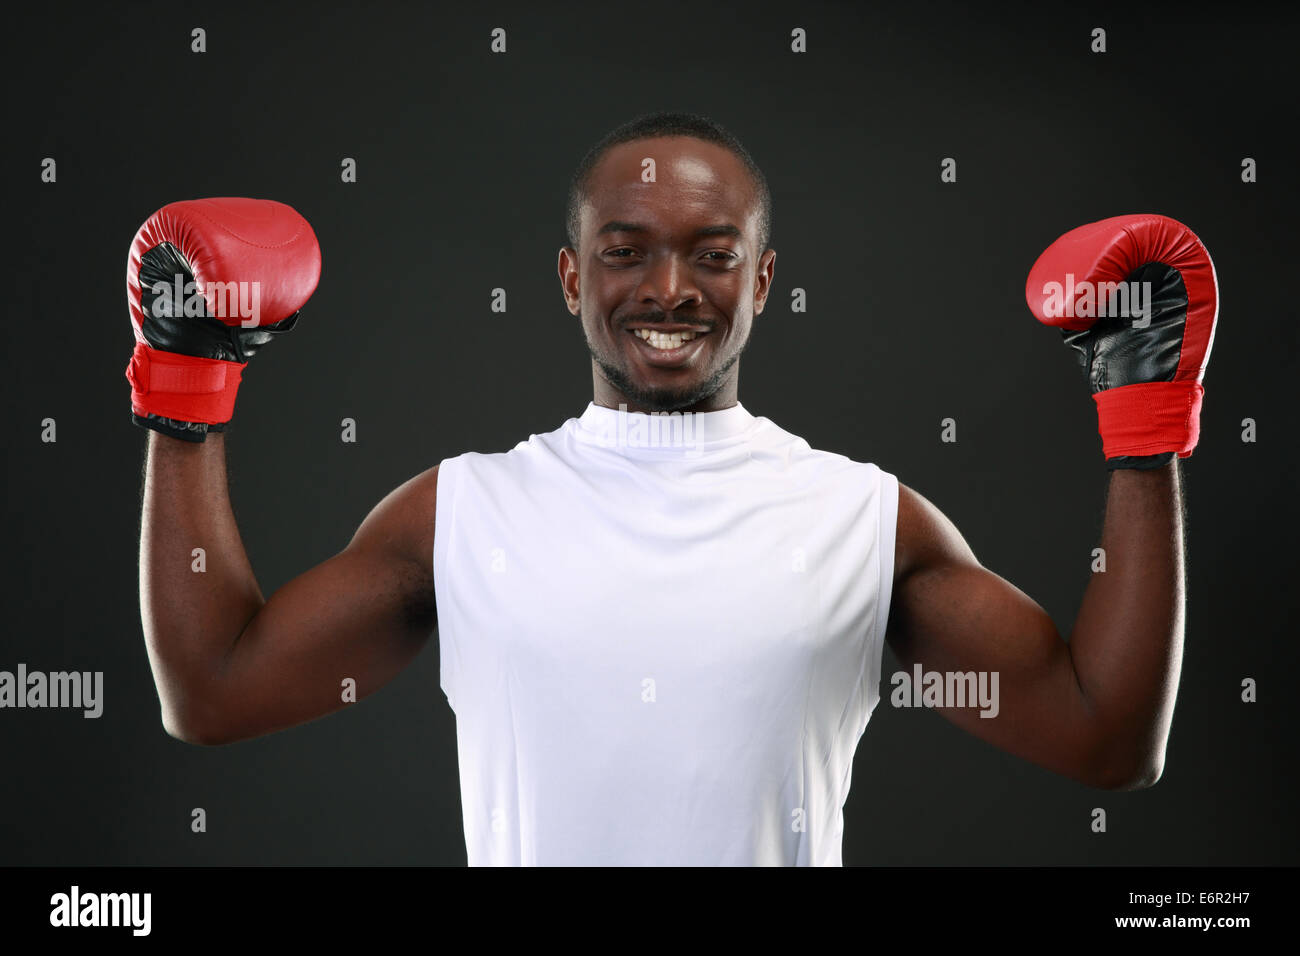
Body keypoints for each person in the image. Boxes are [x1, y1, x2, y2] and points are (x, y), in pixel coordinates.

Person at [129, 111, 1215, 866]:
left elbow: (1106, 736)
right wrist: (189, 391)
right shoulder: (462, 510)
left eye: (711, 253)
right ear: (568, 278)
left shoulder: (859, 517)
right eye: (624, 251)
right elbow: (215, 691)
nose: (666, 289)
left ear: (763, 279)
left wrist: (1142, 423)